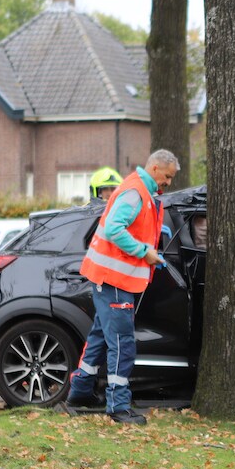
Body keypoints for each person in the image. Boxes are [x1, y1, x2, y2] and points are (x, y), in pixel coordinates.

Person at [67, 149, 178, 424]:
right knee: (121, 342)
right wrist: (145, 251)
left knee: (101, 337)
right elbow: (116, 229)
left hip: (110, 278)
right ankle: (118, 406)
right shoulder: (135, 192)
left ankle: (80, 392)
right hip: (114, 279)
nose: (169, 182)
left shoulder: (139, 191)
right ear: (154, 169)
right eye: (167, 176)